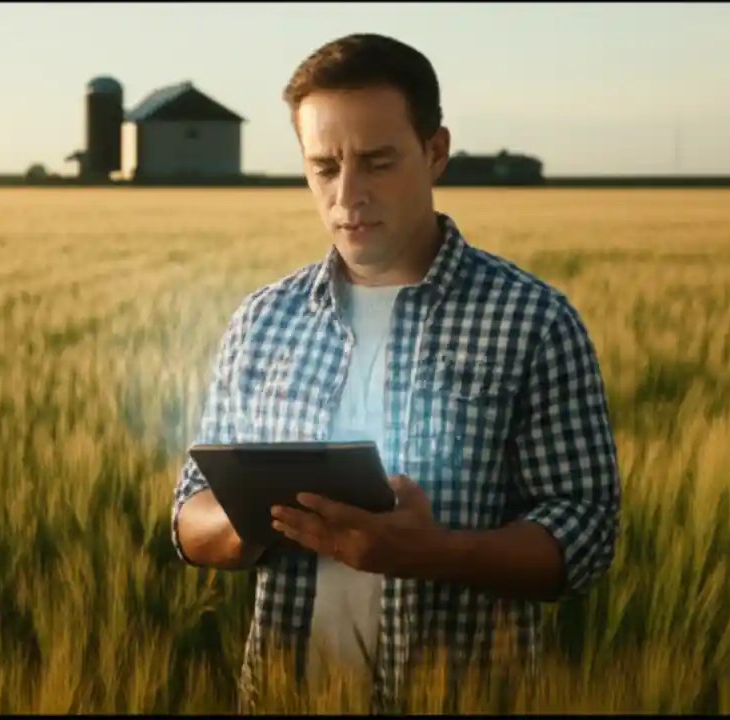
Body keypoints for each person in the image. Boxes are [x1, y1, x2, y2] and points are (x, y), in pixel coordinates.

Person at [169, 32, 621, 713]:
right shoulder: (262, 320)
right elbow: (188, 514)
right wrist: (253, 525)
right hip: (284, 698)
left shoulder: (534, 320)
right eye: (324, 167)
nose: (348, 195)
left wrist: (428, 552)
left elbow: (583, 533)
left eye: (378, 162)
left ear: (435, 152)